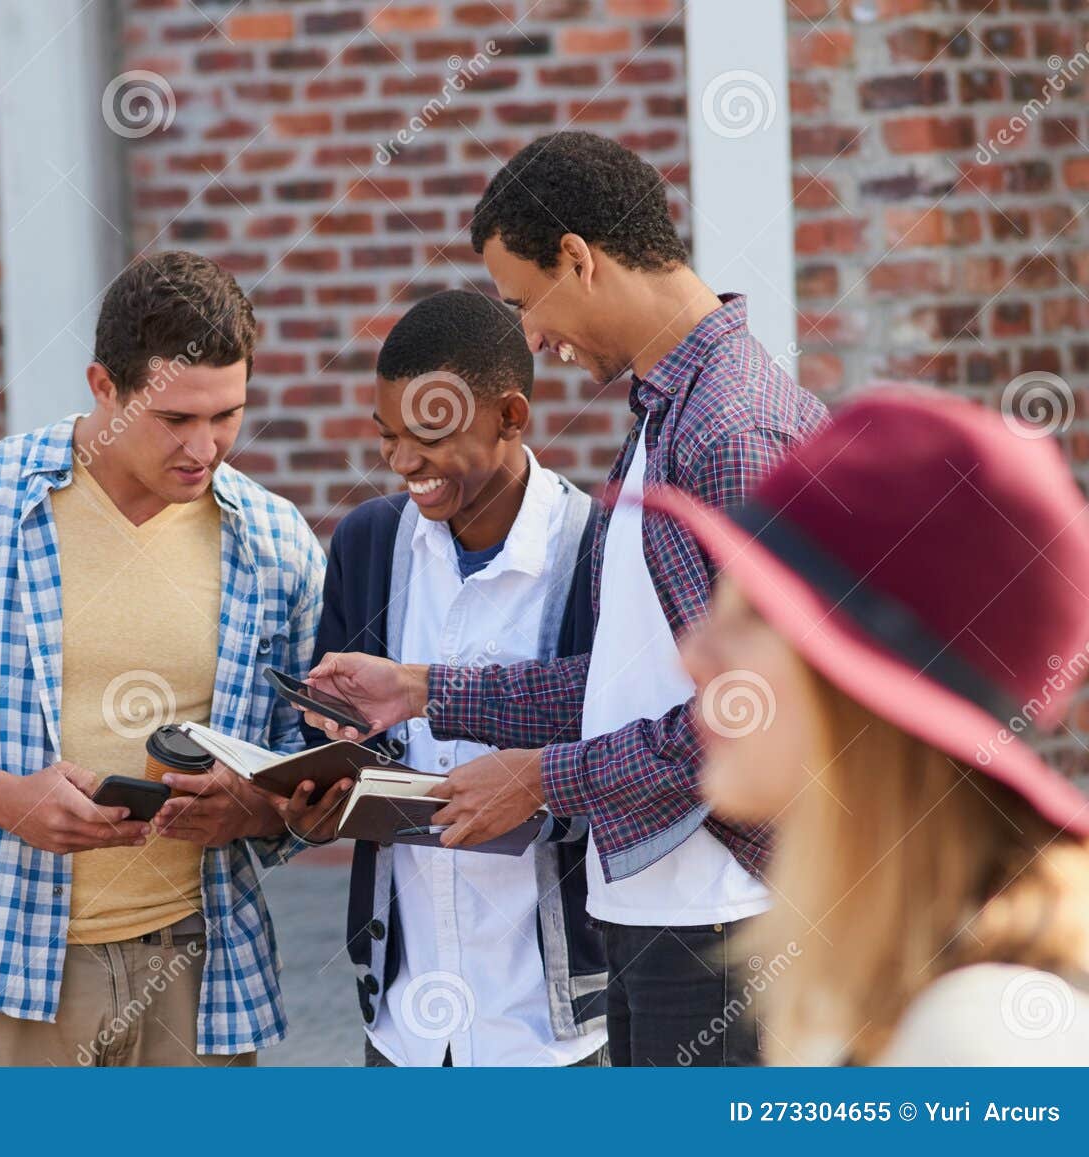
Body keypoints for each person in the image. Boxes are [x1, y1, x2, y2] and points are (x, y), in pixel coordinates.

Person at [296, 130, 828, 1066]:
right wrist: (421, 690)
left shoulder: (729, 430)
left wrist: (541, 778)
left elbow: (756, 719)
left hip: (722, 927)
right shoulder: (675, 416)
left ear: (578, 259)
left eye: (522, 301)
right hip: (660, 915)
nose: (529, 336)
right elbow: (621, 685)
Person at [0, 250, 325, 1066]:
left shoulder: (276, 541)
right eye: (175, 419)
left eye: (226, 415)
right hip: (2, 965)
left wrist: (249, 809)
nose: (205, 446)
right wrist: (8, 801)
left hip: (200, 969)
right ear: (103, 386)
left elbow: (309, 748)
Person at [664, 388, 1089, 1065]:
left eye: (755, 615)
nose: (692, 655)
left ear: (869, 688)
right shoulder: (865, 993)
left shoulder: (978, 1038)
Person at [278, 291, 605, 1067]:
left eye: (429, 436)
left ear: (511, 416)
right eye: (387, 436)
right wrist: (317, 799)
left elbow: (627, 749)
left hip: (549, 1032)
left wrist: (537, 789)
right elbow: (331, 747)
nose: (402, 463)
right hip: (406, 1027)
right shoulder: (369, 543)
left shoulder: (594, 551)